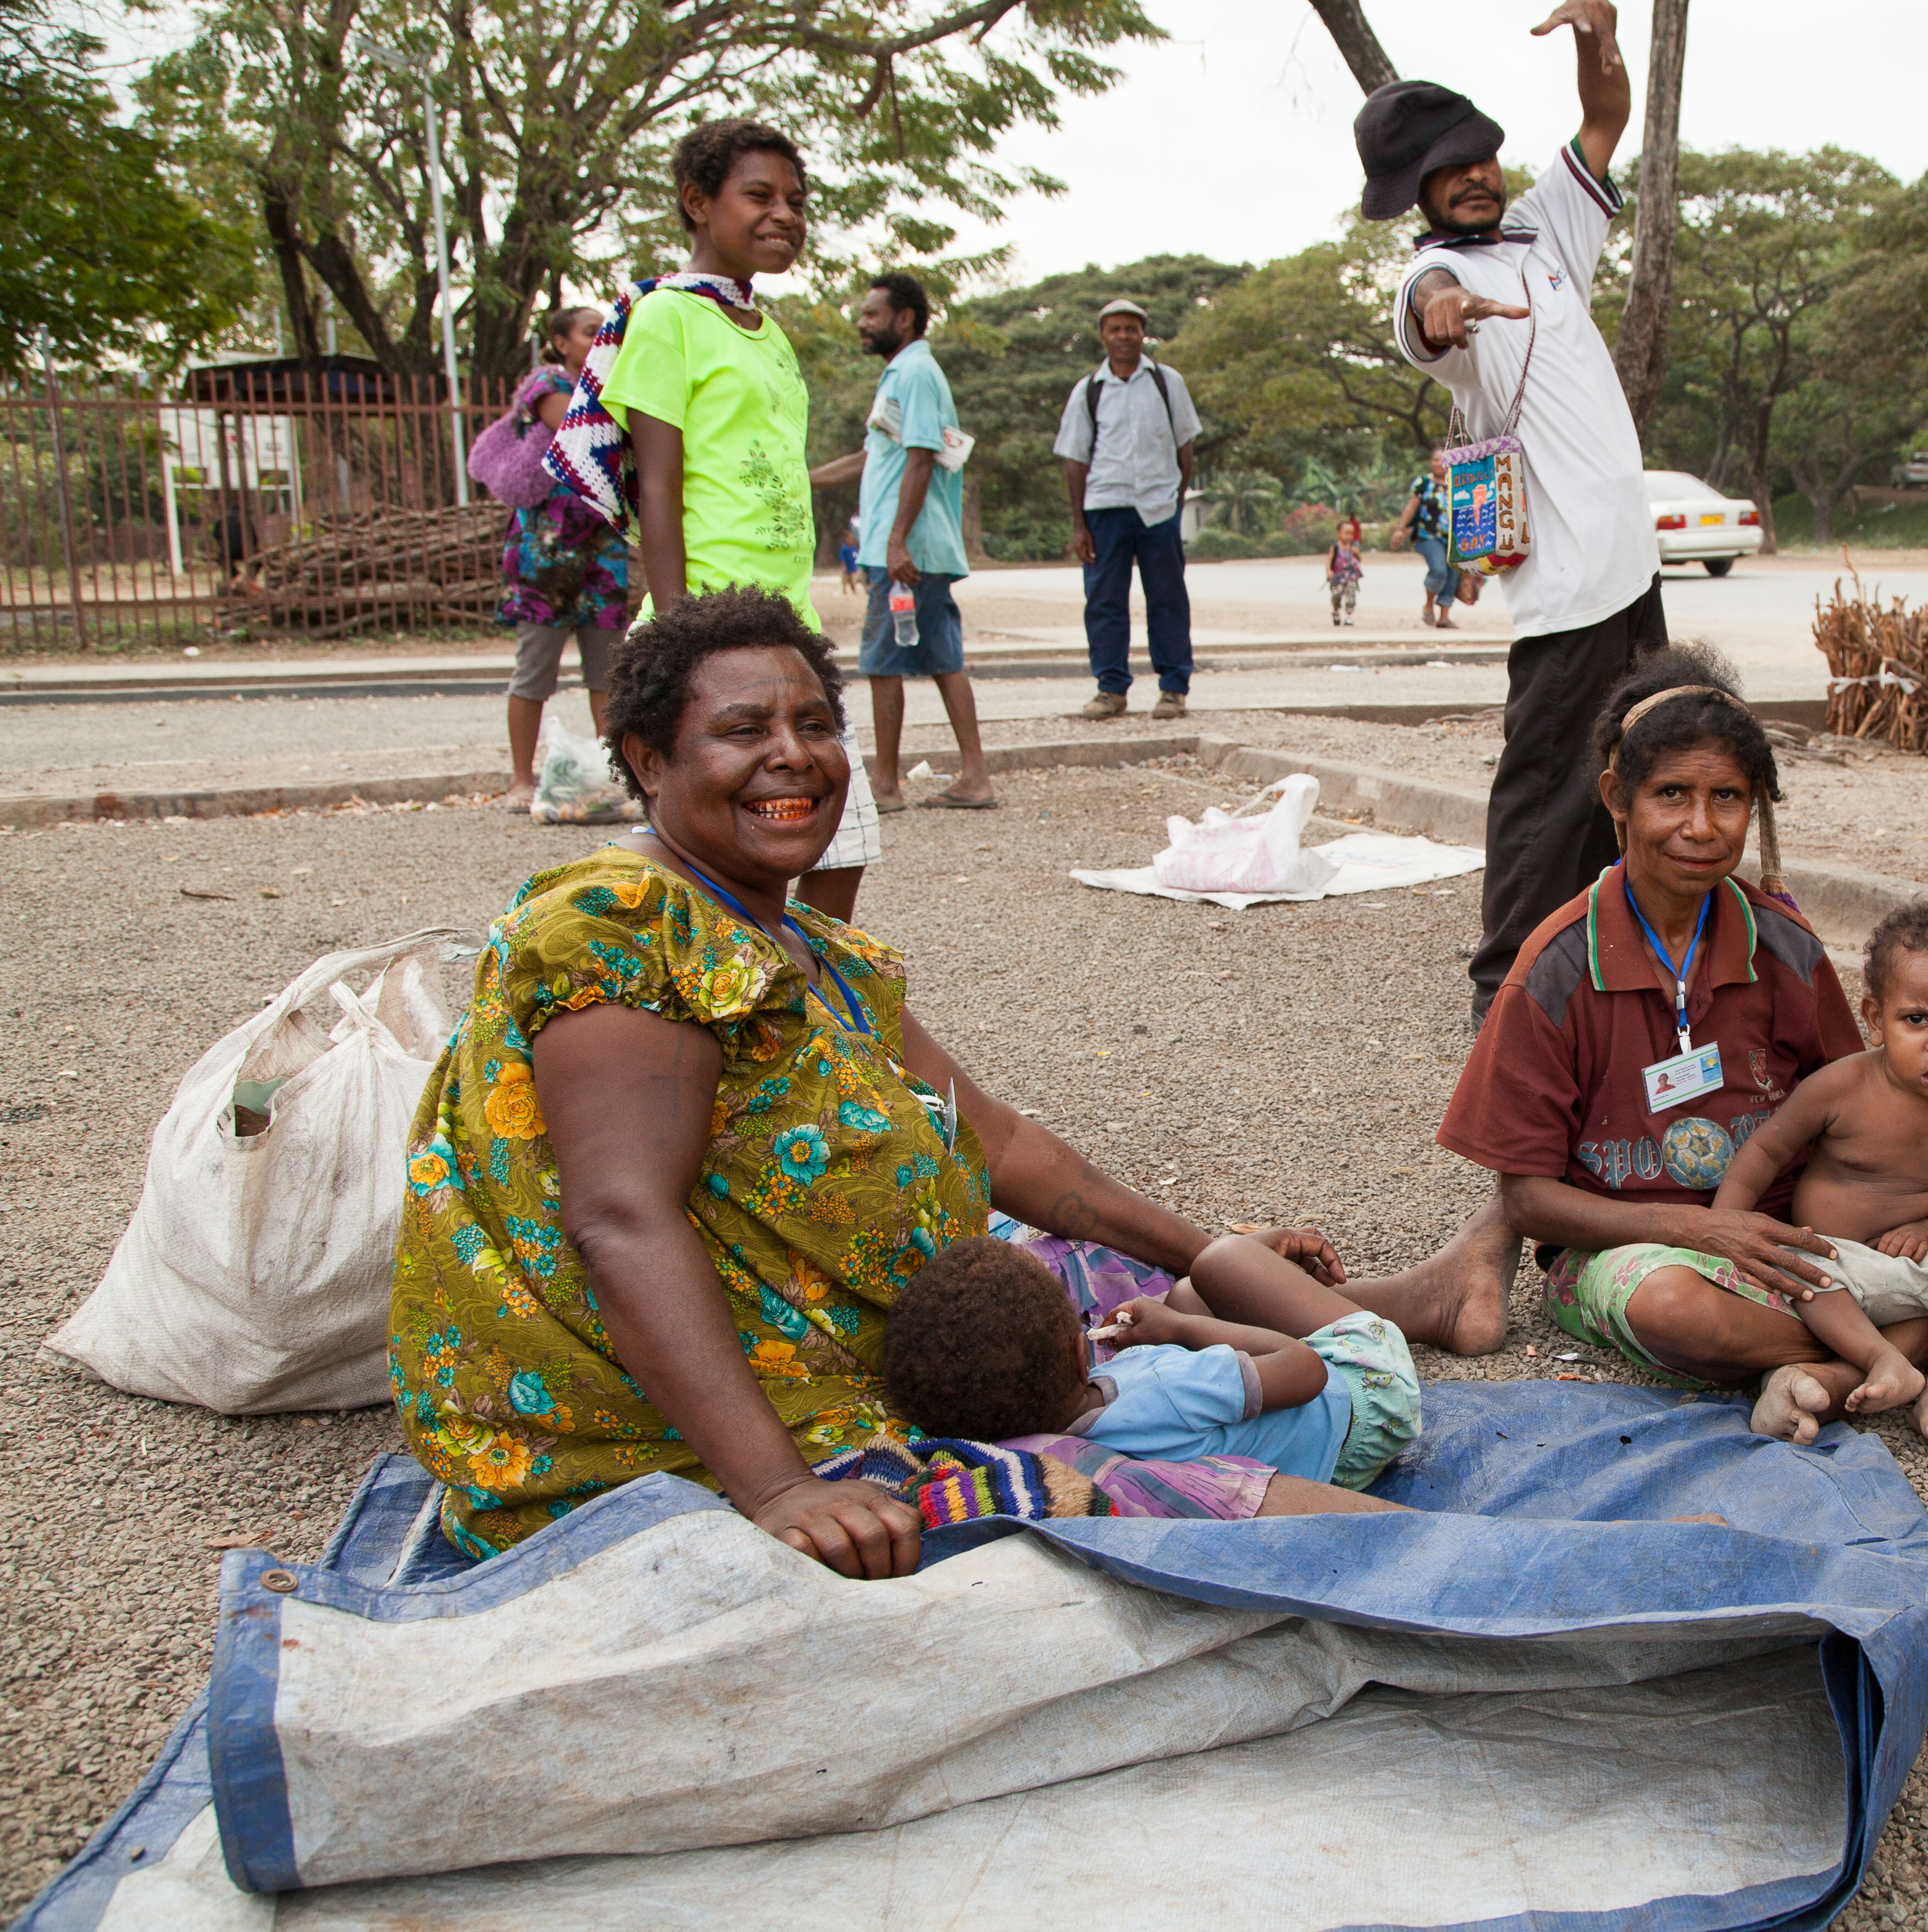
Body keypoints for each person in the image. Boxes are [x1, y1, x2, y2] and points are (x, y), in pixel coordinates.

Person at [389, 590, 1444, 1576]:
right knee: (1111, 1491)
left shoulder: (810, 949)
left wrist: (1198, 1245)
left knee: (1081, 1284)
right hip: (670, 1430)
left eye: (814, 724)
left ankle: (1340, 1317)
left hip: (836, 1341)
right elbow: (620, 1216)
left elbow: (994, 1136)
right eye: (744, 731)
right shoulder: (622, 926)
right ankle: (1486, 1578)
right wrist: (781, 1489)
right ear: (647, 757)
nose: (792, 757)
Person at [1433, 644, 1928, 1443]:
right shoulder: (1554, 968)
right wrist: (1703, 1230)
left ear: (1755, 805)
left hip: (1816, 1252)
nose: (1700, 824)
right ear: (1617, 798)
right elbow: (1526, 1197)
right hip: (1656, 1252)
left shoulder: (1784, 944)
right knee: (1675, 1311)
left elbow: (1862, 1103)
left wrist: (1920, 1220)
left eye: (1728, 797)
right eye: (1671, 794)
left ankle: (1855, 1358)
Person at [1365, 0, 1667, 1022]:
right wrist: (1446, 313)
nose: (1476, 176)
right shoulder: (1430, 269)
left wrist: (1597, 39)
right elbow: (1425, 313)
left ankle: (1597, 966)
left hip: (1631, 567)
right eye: (1450, 172)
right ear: (1419, 195)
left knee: (1631, 778)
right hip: (1565, 585)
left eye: (1480, 157)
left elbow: (1603, 122)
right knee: (1544, 789)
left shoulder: (1545, 231)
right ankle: (1506, 998)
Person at [561, 115, 880, 921]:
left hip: (785, 624)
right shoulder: (668, 318)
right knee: (718, 857)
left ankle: (793, 996)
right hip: (701, 628)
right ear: (698, 202)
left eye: (797, 200)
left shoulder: (769, 332)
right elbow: (657, 488)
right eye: (760, 196)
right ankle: (732, 1008)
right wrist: (678, 640)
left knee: (837, 840)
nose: (785, 214)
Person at [1708, 898, 1928, 1461]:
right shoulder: (1840, 1086)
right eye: (1916, 1019)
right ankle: (1882, 1359)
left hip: (1923, 1259)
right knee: (1799, 1266)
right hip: (1836, 1258)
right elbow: (1765, 1150)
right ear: (1876, 1019)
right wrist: (1728, 1224)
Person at [885, 1232, 1422, 1492]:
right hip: (1367, 1407)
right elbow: (1305, 1371)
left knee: (1188, 1296)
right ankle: (1425, 1303)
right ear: (1081, 1355)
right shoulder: (1167, 1384)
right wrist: (1179, 1330)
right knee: (1216, 1267)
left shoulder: (1054, 1458)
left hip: (1304, 1465)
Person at [807, 272, 993, 811]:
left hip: (907, 550)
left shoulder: (913, 373)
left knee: (883, 662)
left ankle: (885, 786)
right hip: (914, 546)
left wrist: (895, 541)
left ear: (903, 318)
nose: (861, 323)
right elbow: (874, 458)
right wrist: (802, 477)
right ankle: (974, 778)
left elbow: (919, 457)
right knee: (941, 658)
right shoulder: (902, 375)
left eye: (870, 314)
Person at [498, 303, 630, 805]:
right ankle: (520, 780)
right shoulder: (546, 384)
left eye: (605, 332)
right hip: (545, 555)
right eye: (589, 332)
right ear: (559, 342)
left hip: (602, 551)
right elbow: (580, 430)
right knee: (534, 671)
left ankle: (613, 778)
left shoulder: (611, 383)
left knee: (607, 675)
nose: (601, 339)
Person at [1053, 298, 1200, 720]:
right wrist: (1079, 525)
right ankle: (1110, 689)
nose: (1123, 337)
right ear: (1102, 336)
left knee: (1168, 599)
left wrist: (1176, 499)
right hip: (1105, 508)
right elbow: (1075, 460)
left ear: (1143, 334)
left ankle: (1173, 688)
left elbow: (1185, 448)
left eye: (1131, 329)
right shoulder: (1088, 390)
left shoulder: (1167, 382)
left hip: (1158, 508)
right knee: (1104, 602)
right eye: (1115, 329)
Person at [1392, 450, 1460, 629]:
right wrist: (1400, 529)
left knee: (1453, 574)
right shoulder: (1423, 483)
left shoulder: (1459, 481)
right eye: (1435, 459)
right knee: (1439, 571)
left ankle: (1444, 618)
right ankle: (1429, 605)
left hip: (1456, 537)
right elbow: (1411, 506)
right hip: (1428, 536)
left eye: (1442, 460)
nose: (1438, 463)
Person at [1325, 514, 1365, 626]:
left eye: (1351, 533)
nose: (1349, 536)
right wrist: (1329, 571)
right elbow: (1329, 560)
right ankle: (1336, 611)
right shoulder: (1335, 547)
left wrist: (1357, 554)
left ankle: (1348, 616)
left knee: (1351, 596)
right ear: (1338, 533)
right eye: (1346, 533)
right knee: (1336, 595)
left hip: (1351, 576)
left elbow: (1358, 561)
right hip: (1338, 576)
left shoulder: (1353, 548)